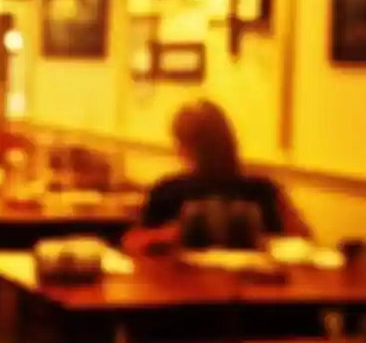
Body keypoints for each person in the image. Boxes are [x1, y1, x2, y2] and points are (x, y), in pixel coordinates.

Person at [123, 99, 310, 255]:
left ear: (184, 147)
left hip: (184, 290)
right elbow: (303, 237)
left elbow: (131, 243)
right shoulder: (262, 189)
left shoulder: (170, 191)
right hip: (253, 291)